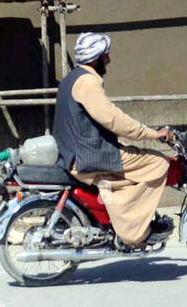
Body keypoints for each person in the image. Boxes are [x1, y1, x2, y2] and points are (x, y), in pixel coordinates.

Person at [52, 32, 174, 248]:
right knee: (158, 163)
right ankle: (134, 231)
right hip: (90, 155)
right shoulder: (88, 82)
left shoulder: (71, 79)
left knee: (128, 169)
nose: (108, 59)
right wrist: (152, 134)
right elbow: (112, 119)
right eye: (105, 55)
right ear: (95, 57)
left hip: (77, 154)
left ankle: (121, 219)